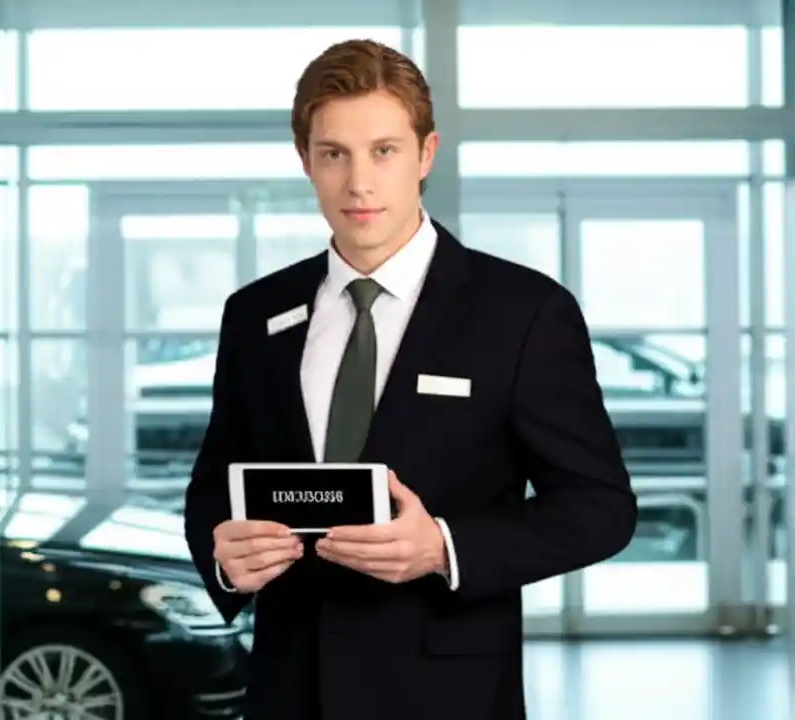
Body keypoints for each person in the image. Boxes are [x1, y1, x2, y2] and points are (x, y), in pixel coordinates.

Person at [182, 38, 637, 720]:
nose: (358, 183)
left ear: (425, 154)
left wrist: (443, 548)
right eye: (334, 153)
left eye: (384, 151)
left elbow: (601, 508)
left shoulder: (522, 312)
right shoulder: (255, 315)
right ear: (306, 160)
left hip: (446, 695)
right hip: (288, 690)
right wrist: (225, 558)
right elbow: (215, 484)